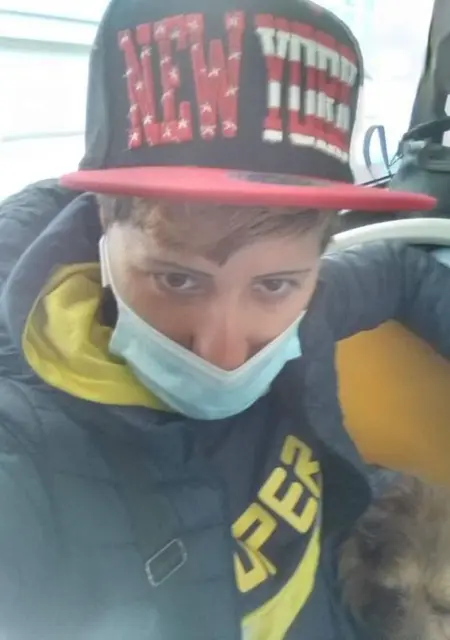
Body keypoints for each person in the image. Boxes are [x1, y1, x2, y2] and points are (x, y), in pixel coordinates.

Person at [1, 0, 450, 639]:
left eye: (273, 285)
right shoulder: (27, 452)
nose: (224, 353)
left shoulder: (310, 308)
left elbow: (399, 270)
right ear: (103, 218)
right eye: (176, 279)